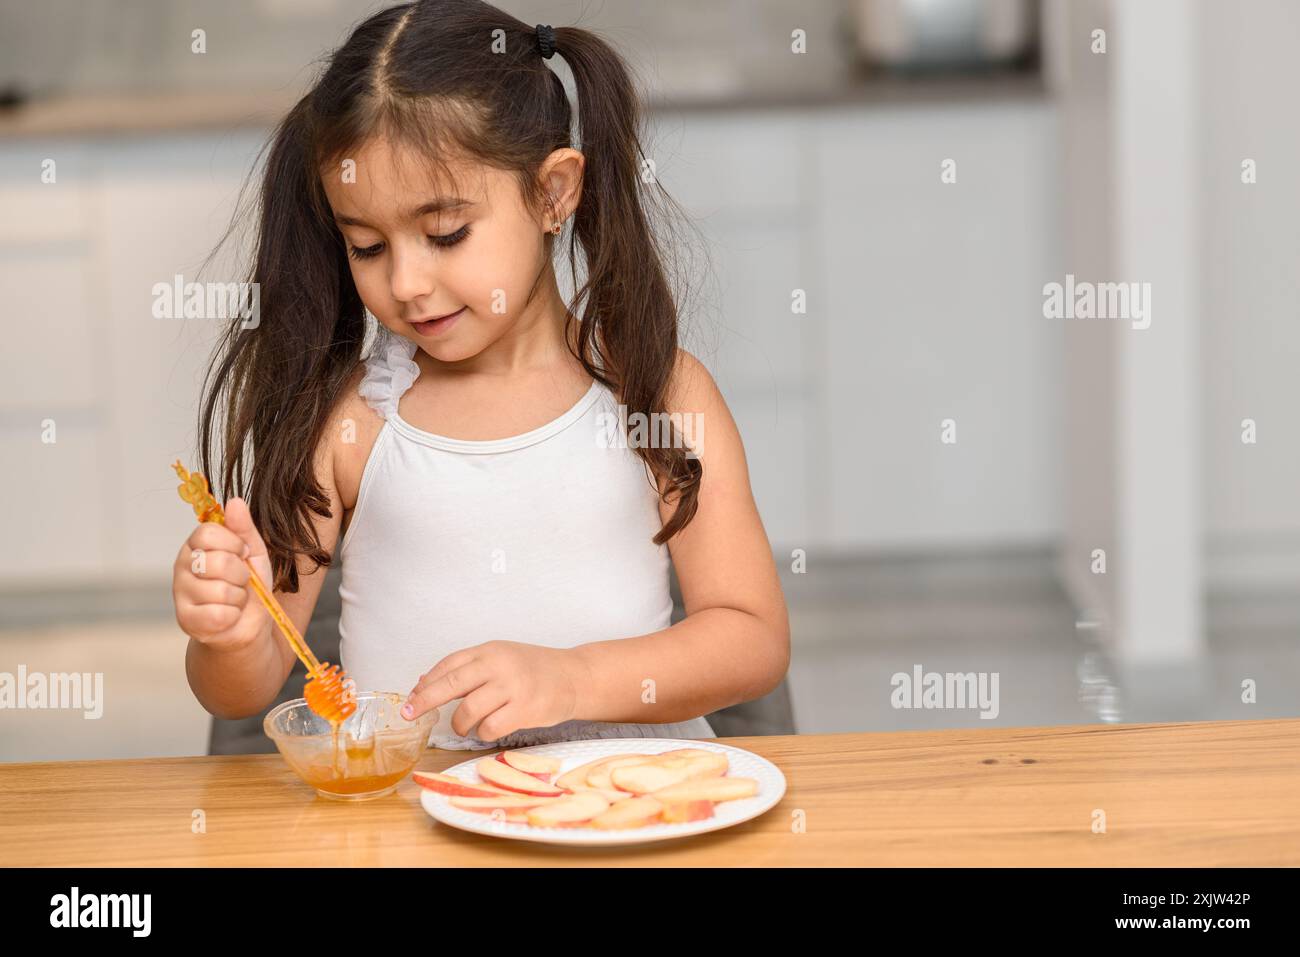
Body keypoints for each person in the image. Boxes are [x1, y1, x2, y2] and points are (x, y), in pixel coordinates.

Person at [172, 1, 789, 751]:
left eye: (445, 234)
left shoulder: (659, 396)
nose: (406, 282)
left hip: (623, 811)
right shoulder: (354, 420)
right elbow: (247, 684)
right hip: (408, 827)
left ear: (554, 192)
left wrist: (574, 678)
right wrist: (230, 636)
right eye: (367, 246)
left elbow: (752, 639)